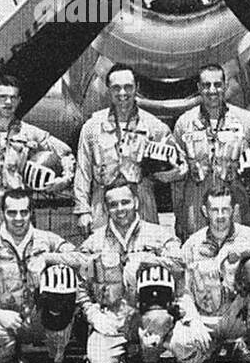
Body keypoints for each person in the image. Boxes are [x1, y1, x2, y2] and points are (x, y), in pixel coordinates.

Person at [0, 187, 88, 363]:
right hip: (8, 321)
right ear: (2, 214)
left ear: (31, 213)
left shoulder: (47, 240)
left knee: (61, 300)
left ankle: (57, 358)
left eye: (24, 212)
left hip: (42, 319)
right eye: (12, 212)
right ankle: (7, 359)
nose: (18, 218)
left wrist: (48, 258)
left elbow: (83, 259)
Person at [169, 188, 250, 363]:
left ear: (234, 210)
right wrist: (194, 321)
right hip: (206, 318)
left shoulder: (248, 234)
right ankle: (211, 350)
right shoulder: (192, 244)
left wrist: (244, 249)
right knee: (180, 346)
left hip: (239, 316)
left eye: (225, 209)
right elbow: (182, 291)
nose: (220, 216)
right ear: (204, 211)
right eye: (214, 210)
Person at [76, 177, 183, 363]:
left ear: (136, 202)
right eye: (113, 205)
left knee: (158, 321)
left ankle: (148, 357)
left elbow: (180, 265)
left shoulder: (159, 235)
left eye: (125, 202)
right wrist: (92, 315)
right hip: (112, 317)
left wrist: (153, 261)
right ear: (106, 209)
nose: (120, 209)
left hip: (149, 313)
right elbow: (81, 285)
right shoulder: (94, 243)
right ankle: (123, 356)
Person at [73, 64, 186, 239]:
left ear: (137, 88)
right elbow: (83, 170)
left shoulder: (154, 126)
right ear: (108, 90)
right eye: (116, 88)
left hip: (142, 201)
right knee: (104, 258)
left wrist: (163, 175)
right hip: (103, 204)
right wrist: (82, 211)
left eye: (128, 87)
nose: (122, 93)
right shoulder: (92, 127)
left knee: (145, 255)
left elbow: (181, 166)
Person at [172, 64, 250, 238]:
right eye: (206, 85)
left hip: (236, 212)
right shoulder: (184, 124)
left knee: (234, 259)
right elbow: (177, 178)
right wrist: (179, 216)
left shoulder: (248, 122)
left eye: (217, 85)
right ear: (198, 88)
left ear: (225, 86)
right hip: (196, 213)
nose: (212, 90)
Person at [0, 74, 74, 244]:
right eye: (3, 97)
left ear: (19, 100)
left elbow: (66, 153)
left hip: (21, 213)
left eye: (13, 98)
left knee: (23, 264)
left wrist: (63, 180)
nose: (8, 102)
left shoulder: (30, 133)